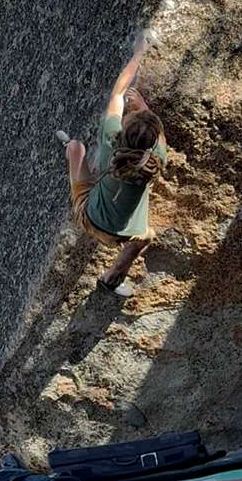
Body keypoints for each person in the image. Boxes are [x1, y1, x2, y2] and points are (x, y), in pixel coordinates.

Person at [57, 36, 167, 296]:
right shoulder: (156, 160)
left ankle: (67, 148)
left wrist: (138, 54)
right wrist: (146, 109)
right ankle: (112, 278)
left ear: (124, 127)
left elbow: (118, 93)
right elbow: (160, 134)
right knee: (146, 236)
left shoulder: (111, 137)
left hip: (88, 214)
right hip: (121, 238)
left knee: (76, 148)